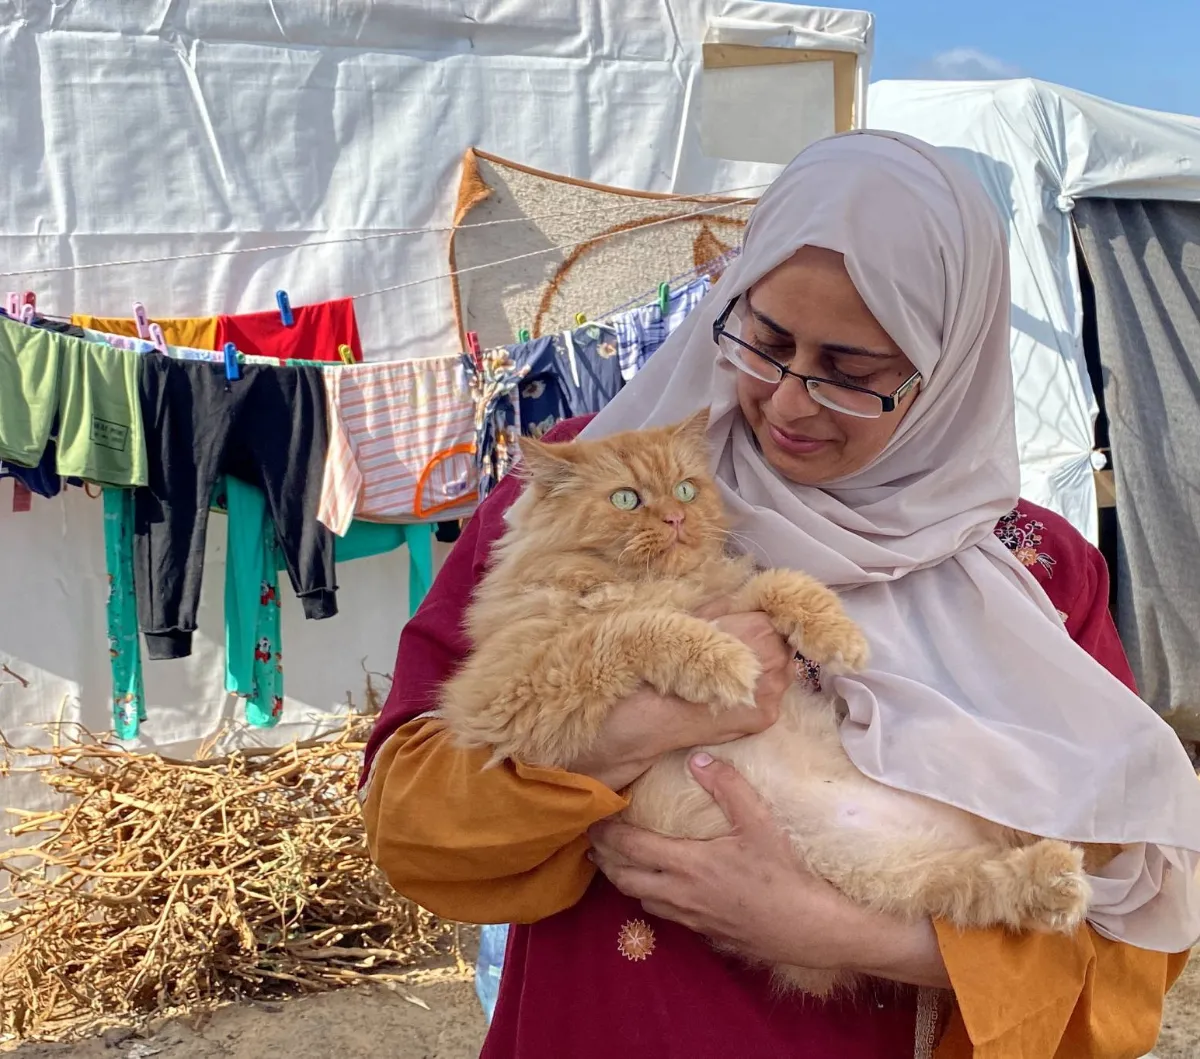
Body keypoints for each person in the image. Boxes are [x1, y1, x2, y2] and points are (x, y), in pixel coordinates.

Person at [361, 131, 1200, 1057]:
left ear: (946, 370)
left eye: (850, 373)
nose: (790, 403)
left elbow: (1121, 951)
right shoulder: (586, 484)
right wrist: (632, 726)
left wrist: (836, 932)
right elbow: (413, 822)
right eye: (763, 341)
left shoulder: (1038, 572)